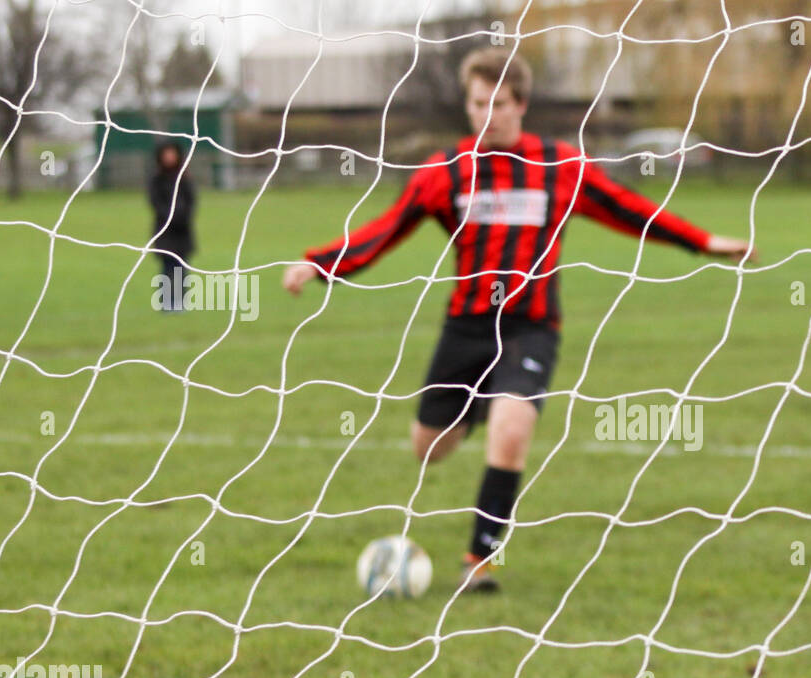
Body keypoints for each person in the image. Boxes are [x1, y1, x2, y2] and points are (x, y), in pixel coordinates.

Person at [283, 49, 751, 592]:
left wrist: (702, 242)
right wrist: (320, 263)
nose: (487, 115)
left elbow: (628, 208)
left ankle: (482, 561)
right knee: (429, 448)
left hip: (530, 327)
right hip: (467, 327)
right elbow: (384, 230)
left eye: (498, 104)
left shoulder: (559, 166)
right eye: (478, 104)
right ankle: (479, 403)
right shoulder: (446, 172)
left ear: (521, 104)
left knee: (511, 432)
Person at [148, 140, 197, 313]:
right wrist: (170, 216)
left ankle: (180, 302)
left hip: (182, 231)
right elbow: (155, 202)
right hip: (164, 232)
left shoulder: (184, 177)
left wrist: (182, 216)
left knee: (181, 267)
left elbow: (192, 201)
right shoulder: (157, 179)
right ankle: (166, 303)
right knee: (167, 267)